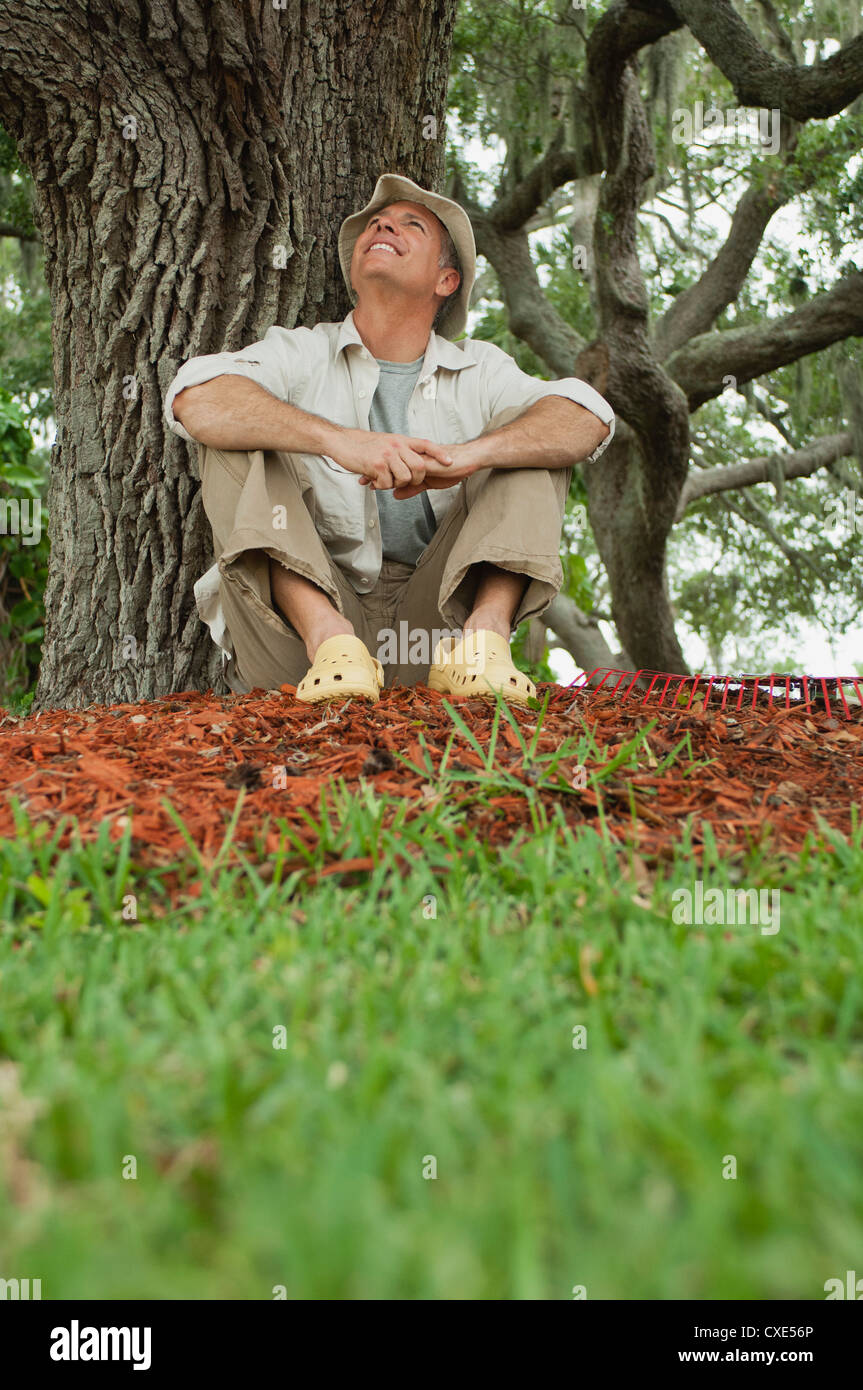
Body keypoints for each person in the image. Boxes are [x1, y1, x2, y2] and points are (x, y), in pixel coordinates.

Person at [164, 173, 614, 705]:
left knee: (532, 445)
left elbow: (585, 418)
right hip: (303, 638)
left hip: (440, 629)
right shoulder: (300, 353)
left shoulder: (481, 369)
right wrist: (338, 440)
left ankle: (485, 642)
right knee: (238, 434)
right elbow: (196, 399)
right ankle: (335, 646)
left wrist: (470, 457)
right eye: (377, 222)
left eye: (411, 225)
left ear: (446, 281)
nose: (383, 224)